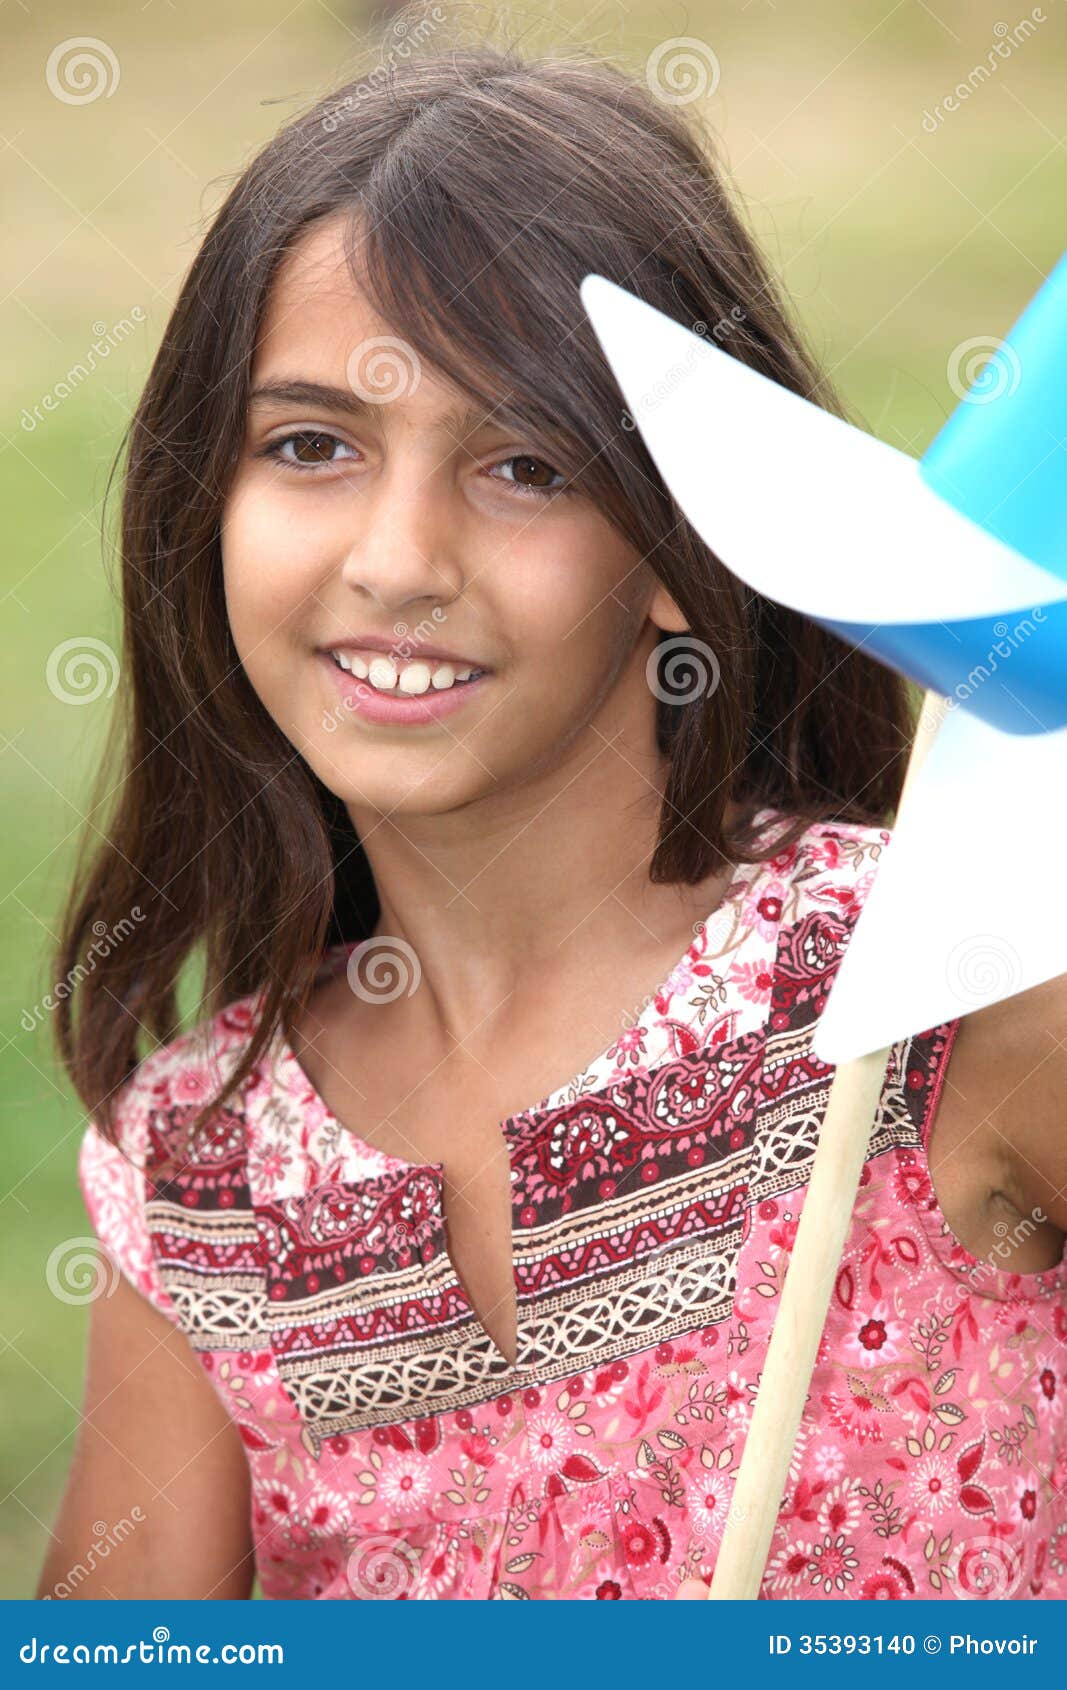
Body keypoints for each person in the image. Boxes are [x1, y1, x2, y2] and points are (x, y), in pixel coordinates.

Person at [40, 34, 1066, 1602]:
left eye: (523, 464)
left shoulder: (945, 978)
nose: (399, 555)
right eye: (311, 444)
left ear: (679, 538)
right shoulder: (202, 1177)